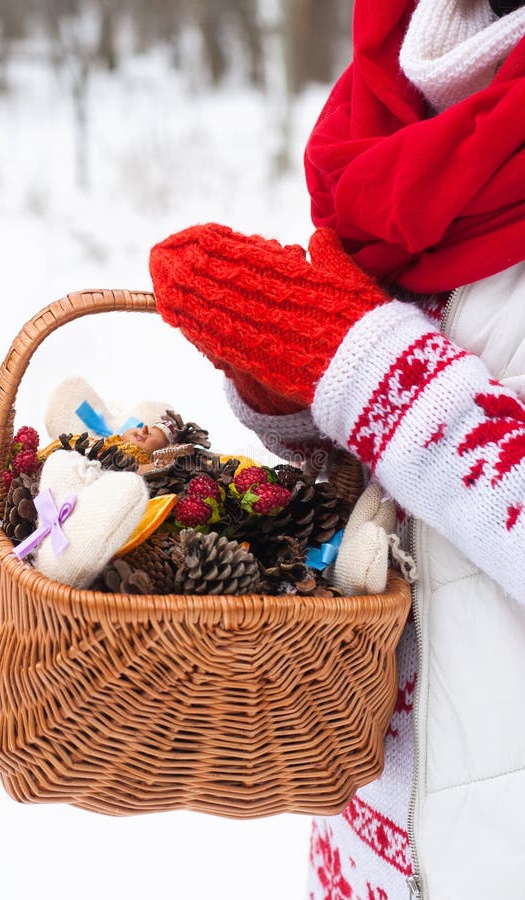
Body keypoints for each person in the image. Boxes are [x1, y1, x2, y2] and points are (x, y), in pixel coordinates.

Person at [148, 0, 525, 897]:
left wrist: (371, 367)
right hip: (368, 848)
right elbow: (409, 506)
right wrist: (300, 399)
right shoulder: (392, 123)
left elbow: (416, 399)